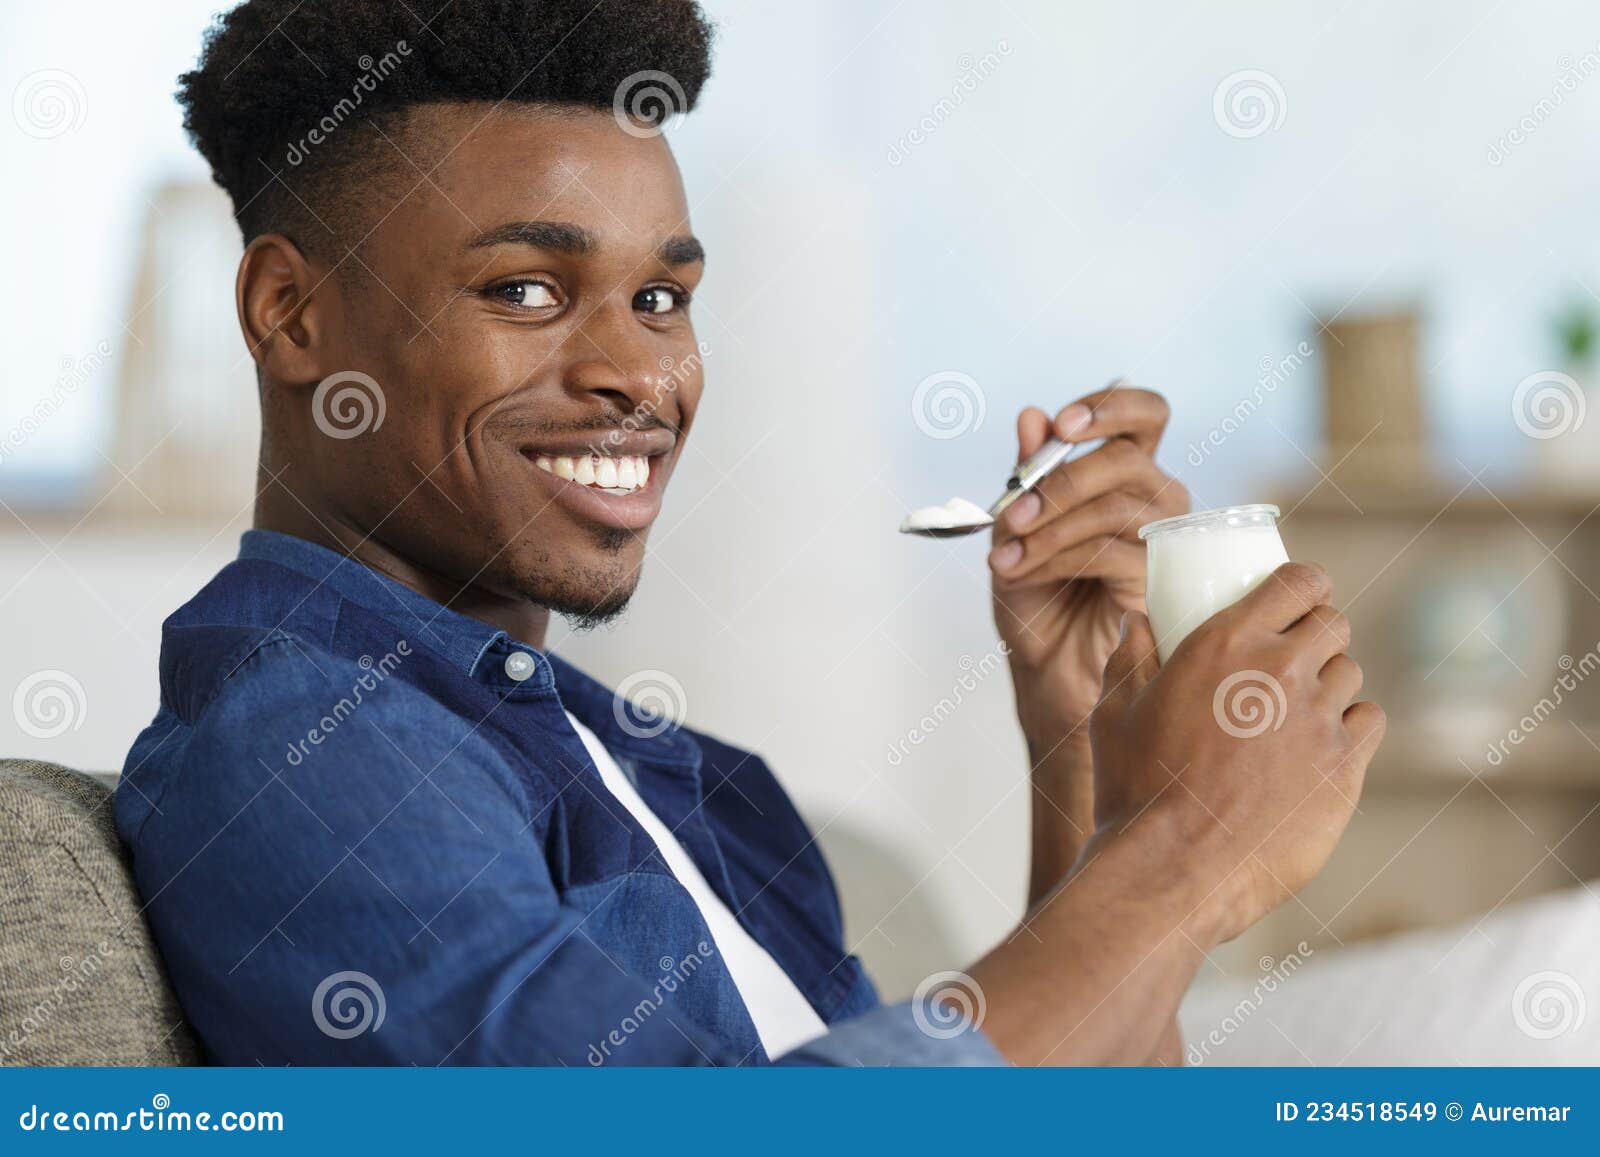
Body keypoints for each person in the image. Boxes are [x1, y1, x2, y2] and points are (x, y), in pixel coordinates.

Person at [116, 0, 1385, 1066]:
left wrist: (1077, 747)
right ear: (290, 314)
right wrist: (1184, 854)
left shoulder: (702, 786)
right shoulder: (303, 740)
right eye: (527, 289)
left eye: (661, 296)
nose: (637, 372)